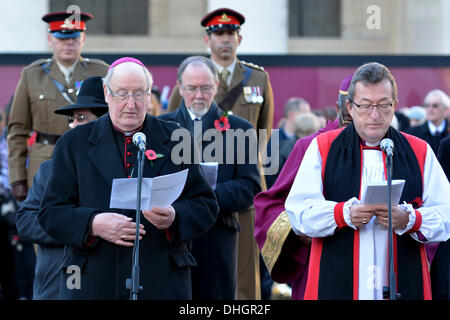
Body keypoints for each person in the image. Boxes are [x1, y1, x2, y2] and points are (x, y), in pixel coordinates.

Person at [37, 57, 218, 299]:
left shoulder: (176, 138)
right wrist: (93, 223)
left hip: (160, 277)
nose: (131, 104)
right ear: (106, 93)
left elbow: (205, 205)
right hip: (94, 279)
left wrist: (175, 217)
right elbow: (51, 212)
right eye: (122, 94)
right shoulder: (73, 143)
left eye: (139, 94)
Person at [285, 62, 450, 300]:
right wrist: (343, 214)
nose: (375, 115)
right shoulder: (323, 148)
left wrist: (410, 219)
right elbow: (299, 213)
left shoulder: (419, 151)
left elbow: (446, 215)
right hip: (335, 280)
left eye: (383, 105)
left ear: (395, 106)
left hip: (402, 278)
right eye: (365, 105)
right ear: (350, 107)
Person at [168, 7, 274, 299]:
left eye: (230, 34)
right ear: (208, 39)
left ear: (239, 38)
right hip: (185, 206)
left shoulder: (257, 78)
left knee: (239, 269)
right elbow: (177, 124)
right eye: (219, 34)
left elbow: (263, 132)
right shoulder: (192, 73)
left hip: (235, 181)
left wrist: (247, 167)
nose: (225, 40)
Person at [159, 55, 261, 299]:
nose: (199, 95)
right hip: (171, 237)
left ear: (216, 86)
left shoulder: (240, 129)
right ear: (180, 88)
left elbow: (250, 188)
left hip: (217, 237)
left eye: (205, 88)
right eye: (192, 88)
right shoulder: (160, 127)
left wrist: (205, 198)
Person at [254, 73, 354, 300]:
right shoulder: (309, 147)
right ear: (342, 107)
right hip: (321, 259)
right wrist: (299, 230)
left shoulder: (395, 148)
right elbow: (272, 205)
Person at [15, 76, 109, 300]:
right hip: (55, 283)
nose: (74, 125)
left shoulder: (122, 168)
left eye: (82, 118)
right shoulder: (49, 168)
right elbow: (26, 221)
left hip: (104, 281)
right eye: (73, 119)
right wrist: (82, 229)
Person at [7, 11, 109, 202]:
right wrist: (17, 178)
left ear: (83, 39)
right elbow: (17, 130)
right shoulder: (32, 75)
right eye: (62, 39)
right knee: (43, 222)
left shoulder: (102, 71)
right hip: (46, 161)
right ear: (50, 40)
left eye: (75, 38)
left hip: (90, 160)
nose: (69, 44)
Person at [407, 89, 449, 155]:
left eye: (435, 106)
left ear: (446, 110)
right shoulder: (413, 134)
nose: (430, 109)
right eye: (427, 105)